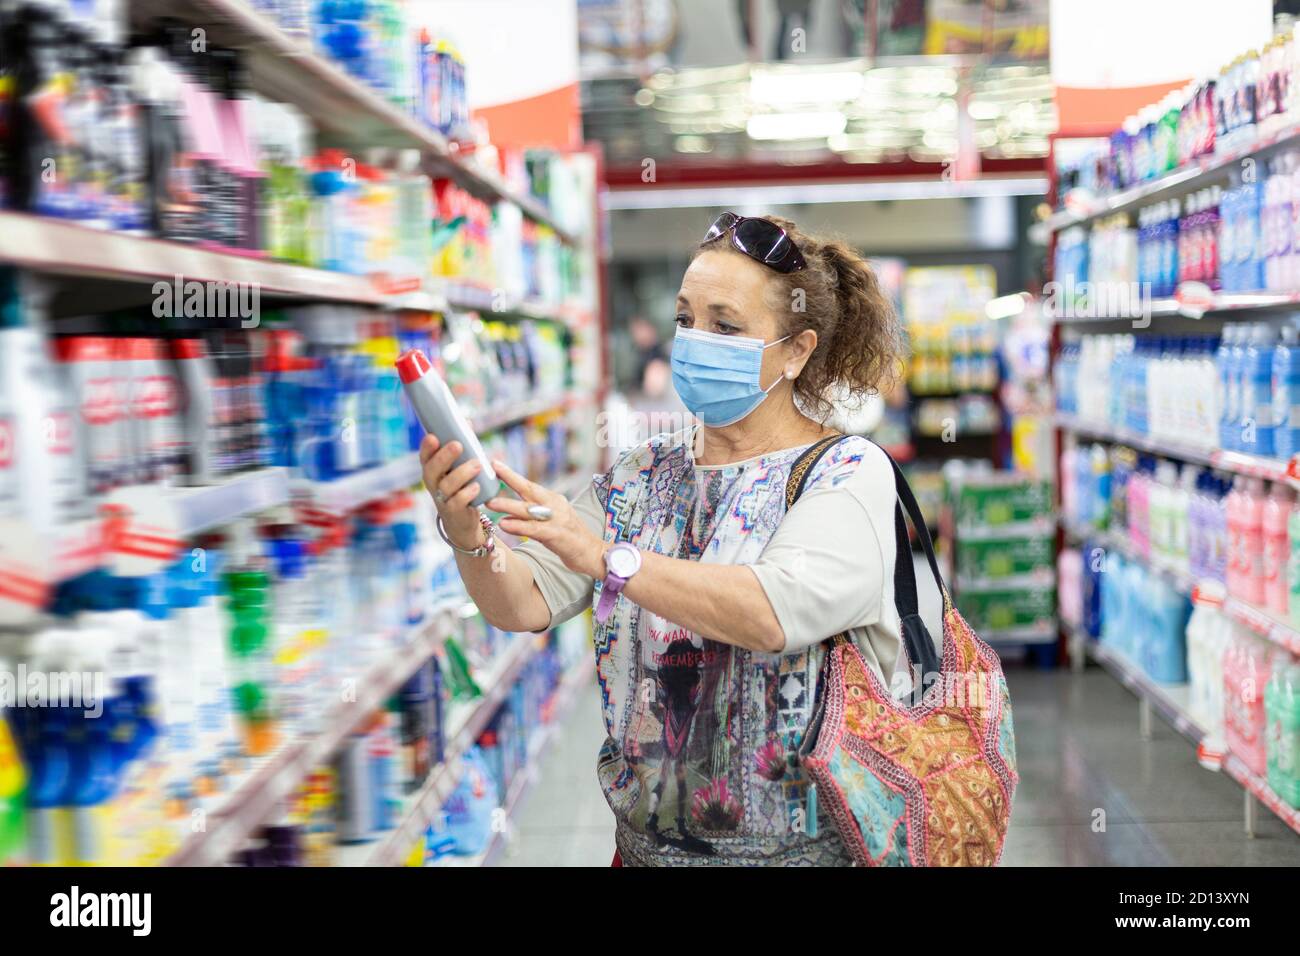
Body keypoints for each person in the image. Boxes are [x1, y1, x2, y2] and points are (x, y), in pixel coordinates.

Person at [420, 213, 907, 866]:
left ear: (796, 351)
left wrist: (604, 558)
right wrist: (467, 534)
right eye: (685, 319)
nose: (695, 341)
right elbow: (523, 603)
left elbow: (771, 612)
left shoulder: (847, 474)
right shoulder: (645, 474)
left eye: (725, 326)